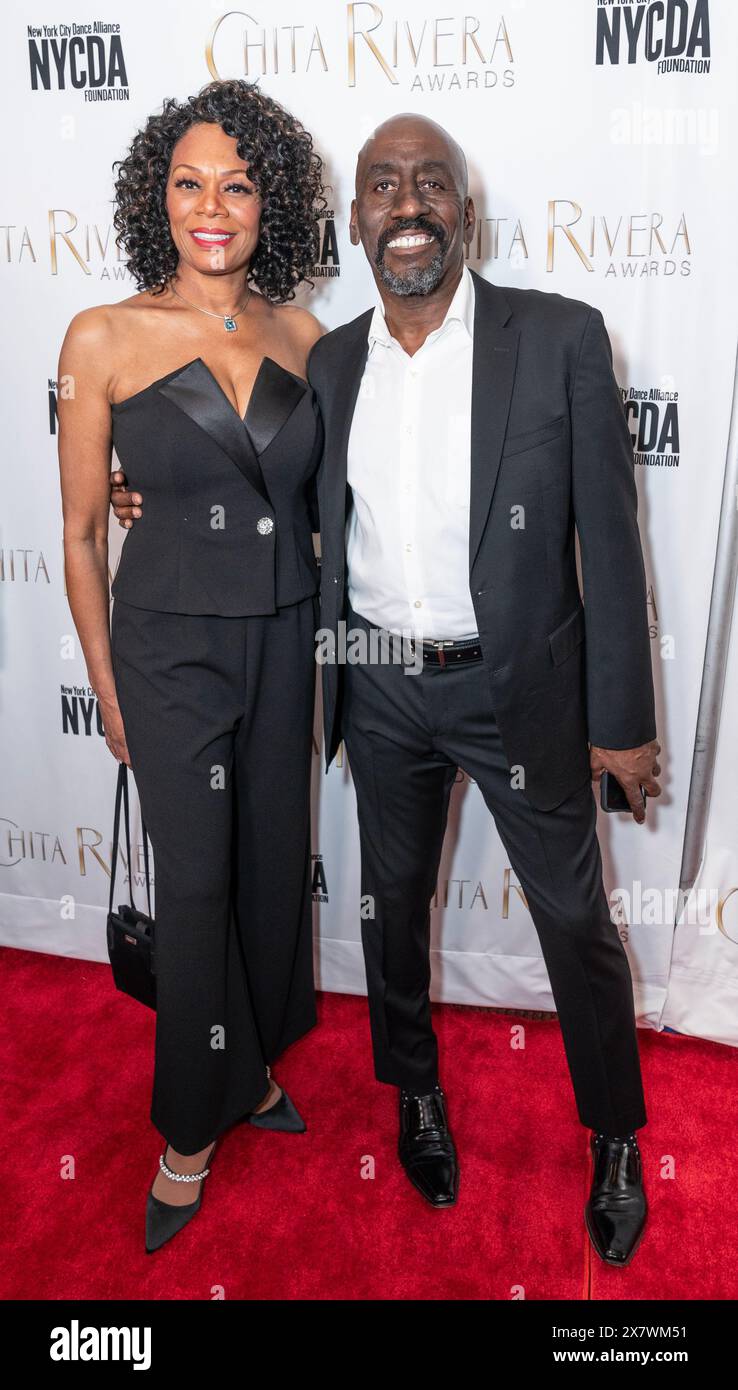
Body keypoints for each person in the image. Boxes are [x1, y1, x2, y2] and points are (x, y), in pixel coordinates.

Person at [114, 112, 662, 1269]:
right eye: (382, 187)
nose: (406, 205)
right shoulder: (332, 357)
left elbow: (609, 547)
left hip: (517, 689)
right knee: (391, 914)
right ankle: (414, 1099)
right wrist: (144, 492)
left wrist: (621, 723)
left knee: (574, 919)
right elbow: (261, 477)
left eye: (430, 185)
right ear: (355, 217)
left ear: (463, 208)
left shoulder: (559, 338)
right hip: (377, 685)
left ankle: (613, 1130)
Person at [58, 78, 325, 1253]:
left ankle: (253, 1064)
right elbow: (75, 533)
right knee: (199, 887)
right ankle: (187, 1128)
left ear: (271, 203)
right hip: (166, 650)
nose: (210, 206)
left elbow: (324, 500)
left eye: (238, 183)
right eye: (187, 182)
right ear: (153, 196)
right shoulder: (102, 335)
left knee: (273, 875)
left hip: (286, 634)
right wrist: (109, 685)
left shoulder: (304, 335)